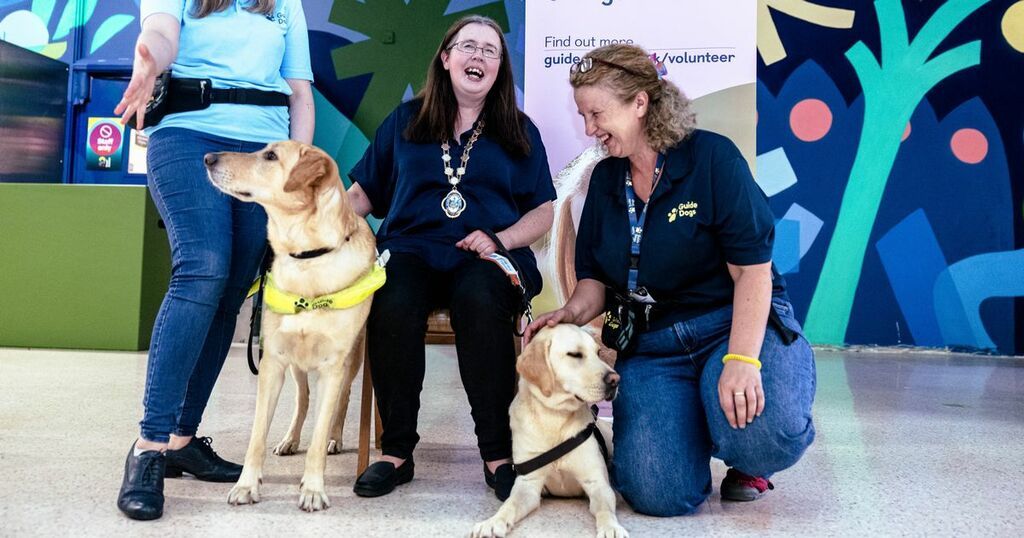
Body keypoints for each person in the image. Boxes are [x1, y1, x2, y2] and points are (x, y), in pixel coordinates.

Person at [526, 44, 816, 516]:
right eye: (583, 116)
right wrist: (569, 313)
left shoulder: (713, 159)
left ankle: (747, 457)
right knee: (657, 493)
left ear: (640, 103)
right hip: (654, 344)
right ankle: (695, 422)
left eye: (597, 114)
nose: (589, 129)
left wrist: (742, 359)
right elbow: (595, 280)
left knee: (767, 432)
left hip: (731, 325)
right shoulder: (603, 181)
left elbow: (752, 272)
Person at [113, 0, 314, 521]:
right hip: (188, 135)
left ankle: (183, 440)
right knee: (203, 267)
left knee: (231, 293)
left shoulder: (285, 4)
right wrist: (148, 59)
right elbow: (161, 33)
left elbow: (299, 92)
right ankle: (149, 447)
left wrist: (295, 169)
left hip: (263, 155)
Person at [346, 15, 555, 501]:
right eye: (468, 47)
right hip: (412, 248)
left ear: (501, 69)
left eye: (490, 50)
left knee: (481, 301)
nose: (478, 57)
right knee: (392, 300)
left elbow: (543, 211)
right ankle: (395, 452)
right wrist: (314, 223)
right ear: (445, 58)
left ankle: (499, 453)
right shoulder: (404, 121)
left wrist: (500, 239)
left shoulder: (519, 131)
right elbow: (361, 195)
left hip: (486, 254)